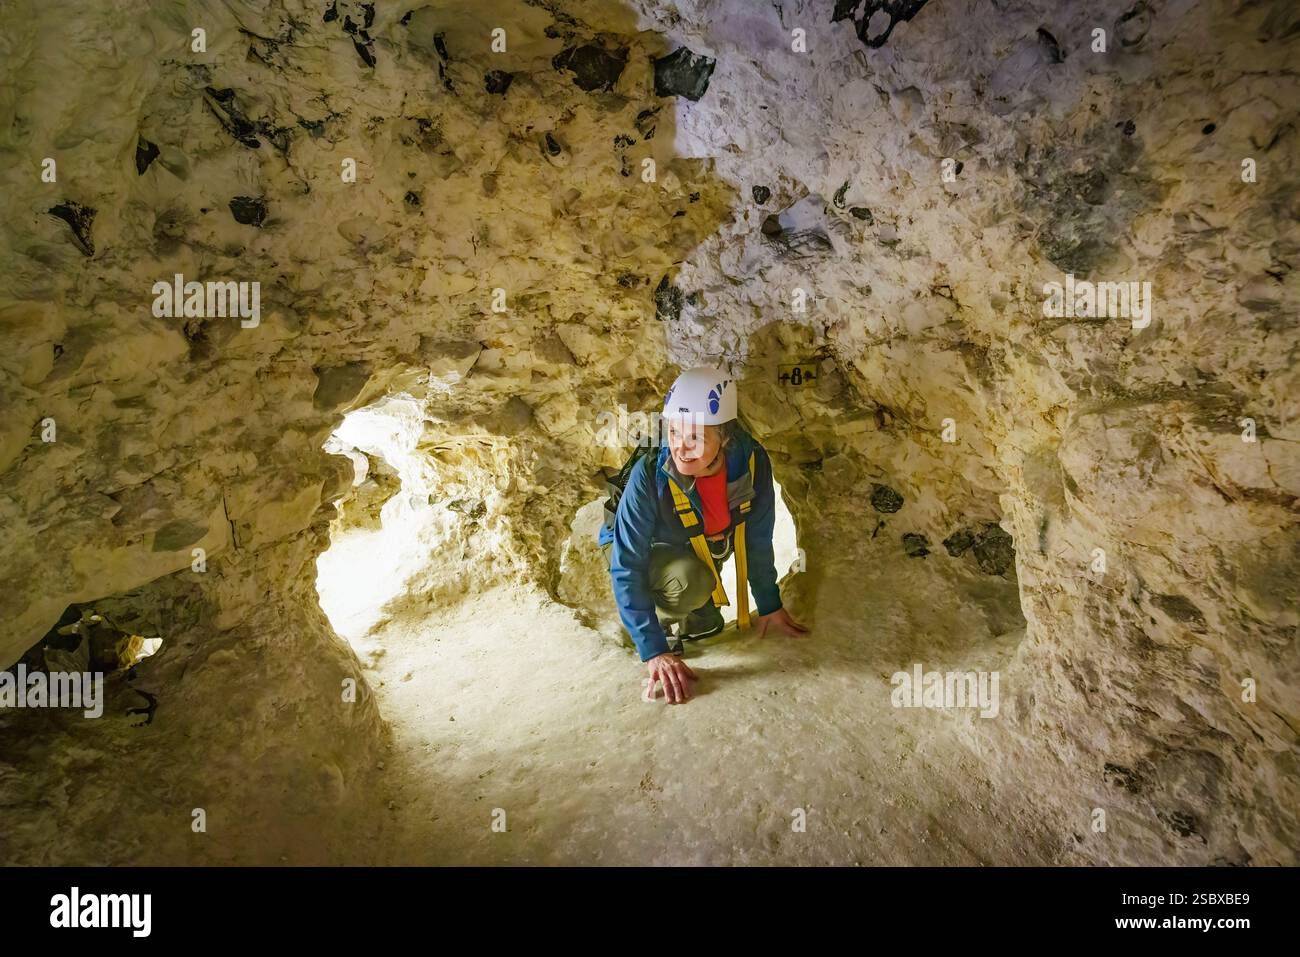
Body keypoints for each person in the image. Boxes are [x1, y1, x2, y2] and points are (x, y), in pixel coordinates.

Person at [599, 367, 808, 704]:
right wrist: (653, 650)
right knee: (689, 581)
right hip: (639, 550)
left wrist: (769, 605)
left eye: (695, 437)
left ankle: (695, 611)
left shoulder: (751, 461)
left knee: (705, 617)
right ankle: (658, 622)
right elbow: (627, 565)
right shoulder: (650, 473)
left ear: (724, 439)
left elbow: (756, 538)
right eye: (674, 432)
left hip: (690, 543)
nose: (681, 448)